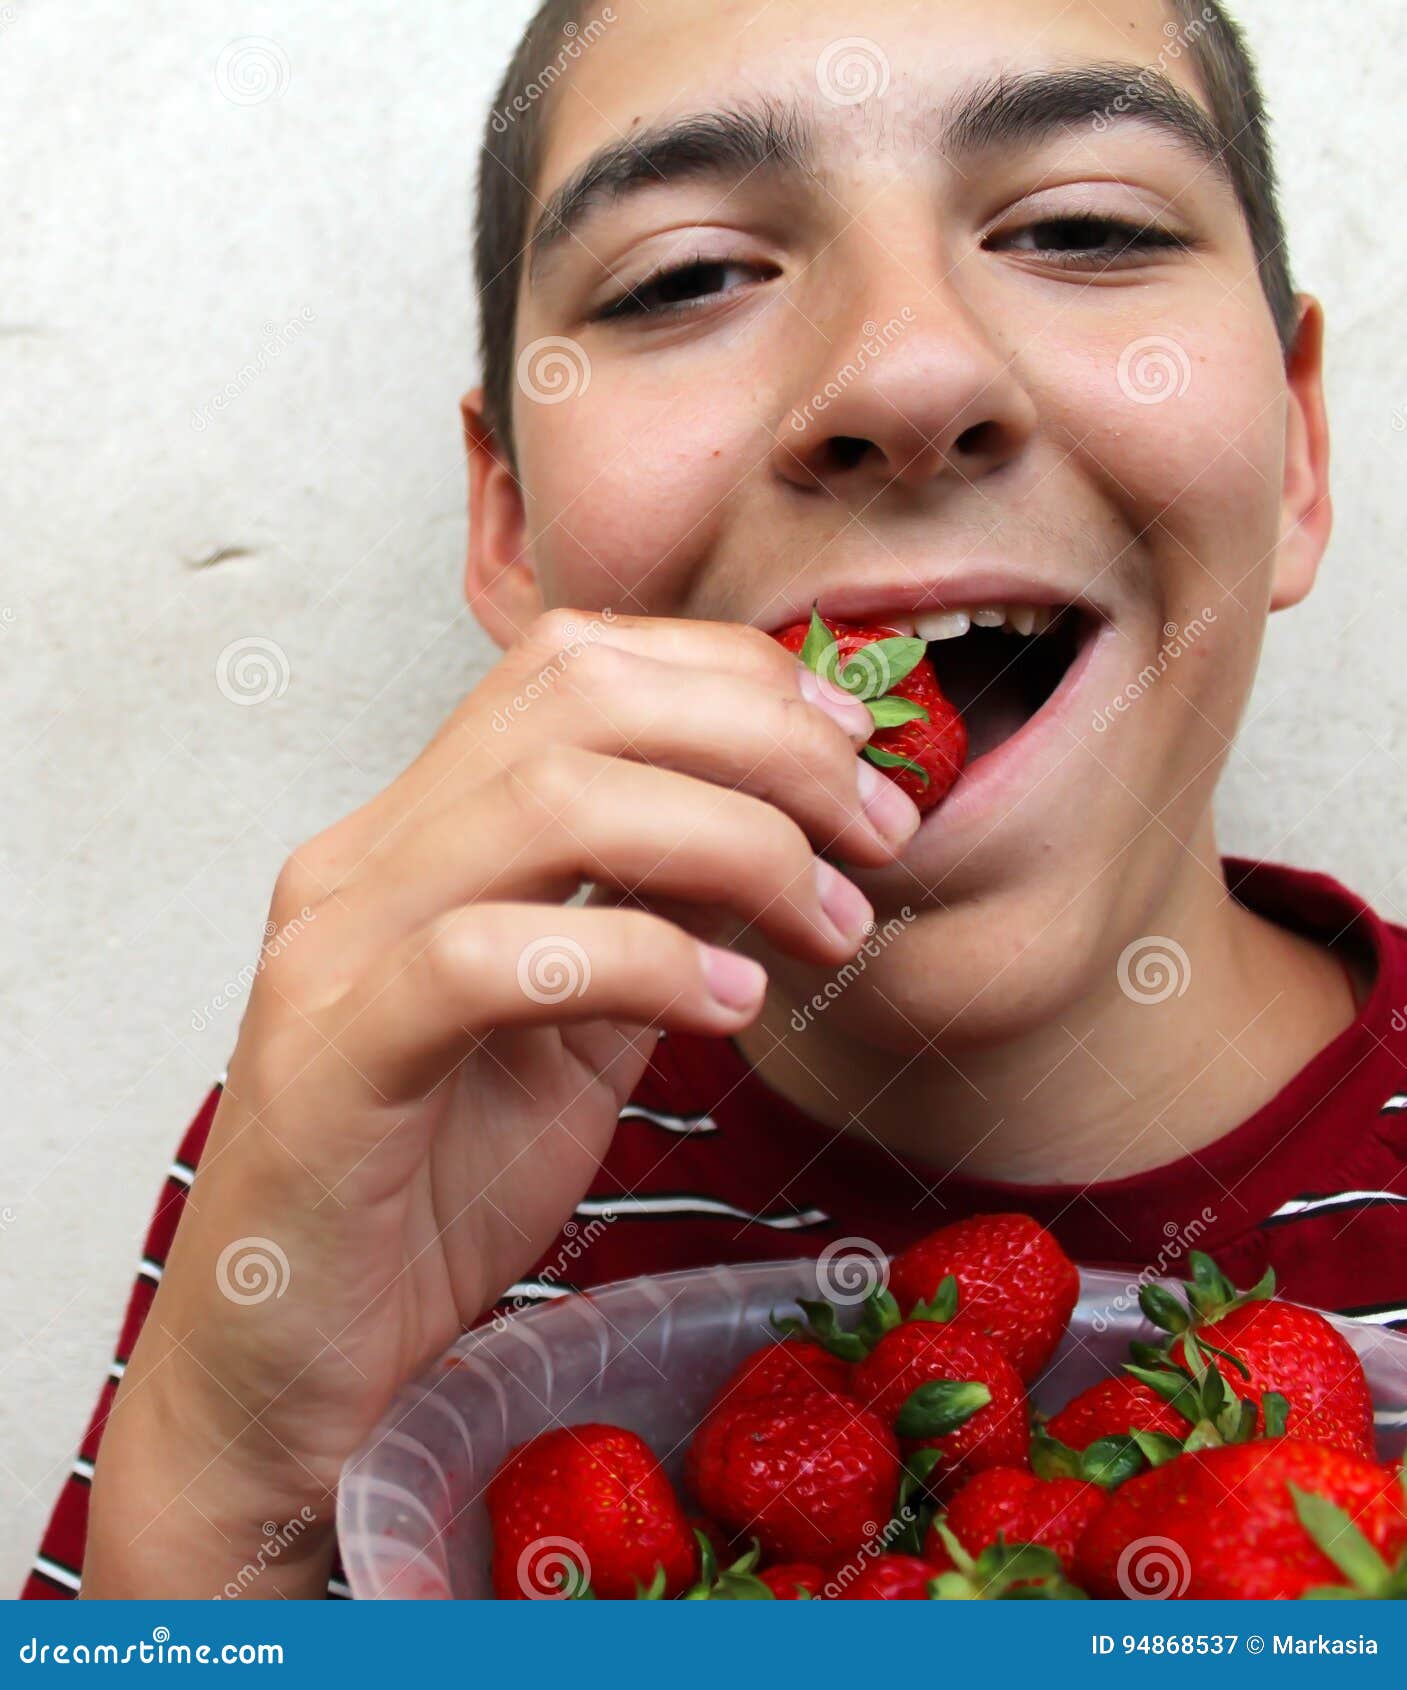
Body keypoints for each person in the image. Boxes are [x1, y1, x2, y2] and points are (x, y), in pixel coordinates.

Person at [29, 0, 1407, 1601]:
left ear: (1300, 452)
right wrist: (235, 1469)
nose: (906, 372)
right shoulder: (365, 1152)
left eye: (1083, 227)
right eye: (687, 276)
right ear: (511, 529)